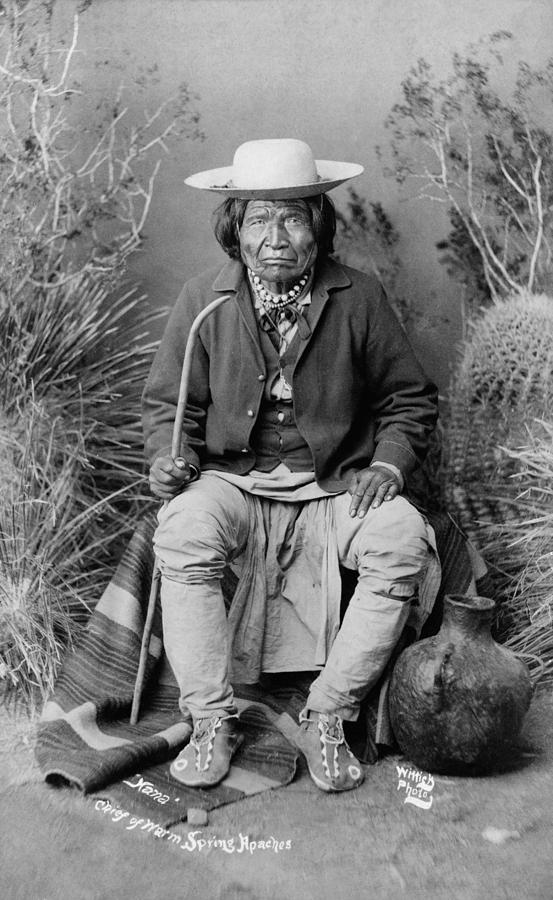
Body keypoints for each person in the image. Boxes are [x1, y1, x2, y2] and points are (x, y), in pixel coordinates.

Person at [142, 138, 439, 793]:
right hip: (231, 480)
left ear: (317, 229)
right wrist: (170, 459)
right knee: (183, 532)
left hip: (333, 483)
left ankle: (331, 714)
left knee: (398, 539)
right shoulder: (205, 299)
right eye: (257, 220)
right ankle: (209, 720)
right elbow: (170, 406)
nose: (275, 237)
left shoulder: (357, 298)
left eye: (292, 218)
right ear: (235, 232)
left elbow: (409, 397)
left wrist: (387, 469)